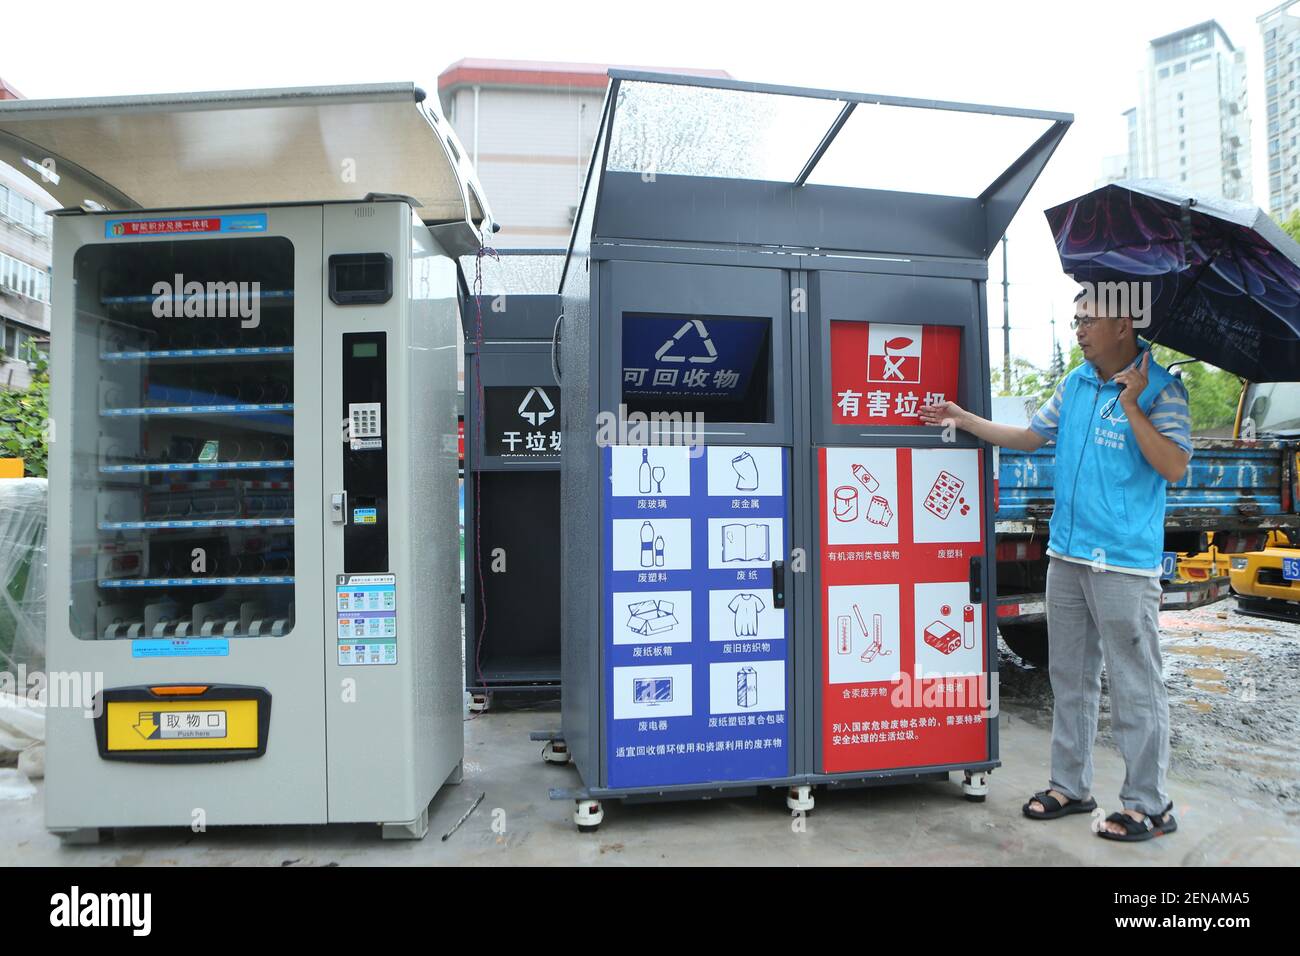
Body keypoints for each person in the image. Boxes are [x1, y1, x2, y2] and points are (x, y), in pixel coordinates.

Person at [918, 294, 1192, 842]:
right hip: (1067, 554)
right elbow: (1029, 438)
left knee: (1135, 685)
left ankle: (1149, 804)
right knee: (1069, 677)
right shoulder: (1075, 383)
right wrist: (963, 418)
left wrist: (1134, 405)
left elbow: (1175, 467)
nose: (1080, 330)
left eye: (1088, 320)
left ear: (1123, 324)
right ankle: (1071, 786)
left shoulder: (1163, 389)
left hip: (1124, 563)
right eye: (1077, 320)